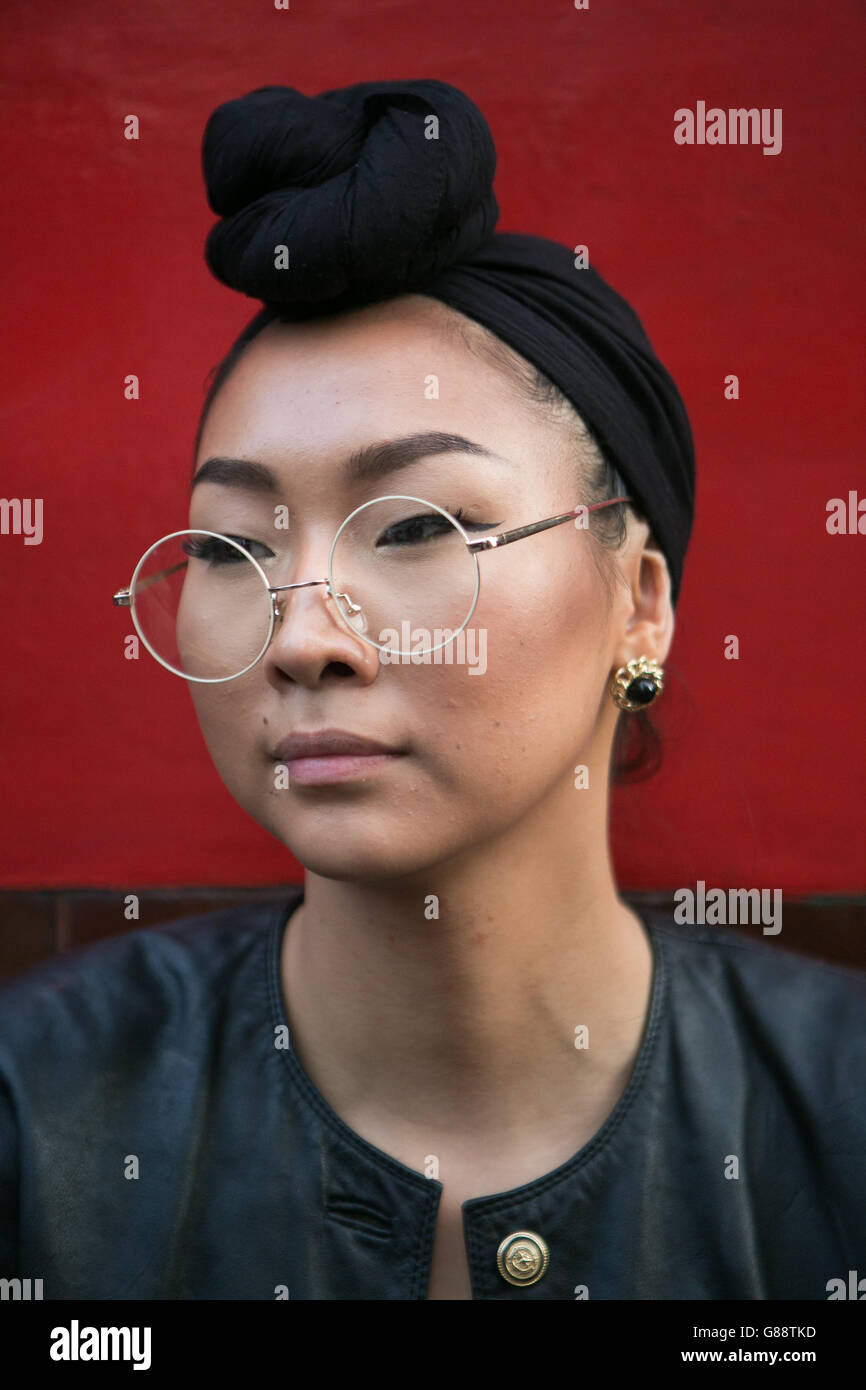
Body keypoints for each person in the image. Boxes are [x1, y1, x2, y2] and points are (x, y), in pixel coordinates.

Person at [1, 78, 863, 1302]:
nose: (303, 638)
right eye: (231, 546)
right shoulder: (37, 1112)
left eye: (411, 526)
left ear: (639, 601)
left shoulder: (835, 1115)